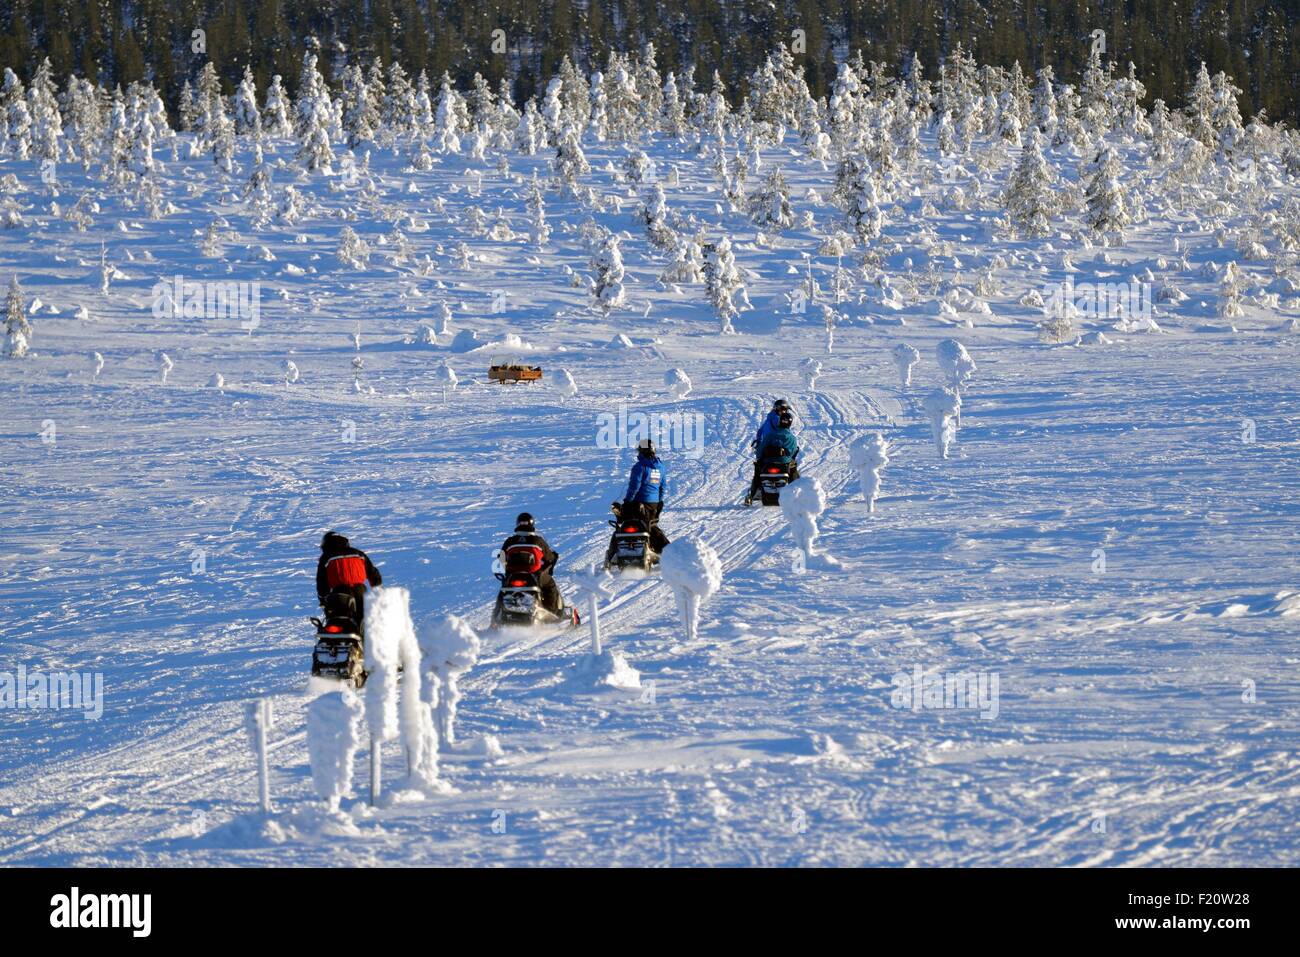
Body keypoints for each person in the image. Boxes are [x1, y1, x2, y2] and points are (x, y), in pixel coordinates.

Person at [498, 512, 571, 619]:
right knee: (550, 586)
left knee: (503, 591)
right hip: (534, 576)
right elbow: (549, 558)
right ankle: (553, 614)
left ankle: (495, 619)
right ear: (532, 524)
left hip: (513, 577)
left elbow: (501, 558)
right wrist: (552, 559)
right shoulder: (538, 541)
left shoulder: (510, 541)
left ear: (517, 524)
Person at [612, 438, 670, 555]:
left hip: (638, 504)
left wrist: (627, 501)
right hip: (653, 505)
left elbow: (634, 486)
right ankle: (665, 550)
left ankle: (613, 553)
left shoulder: (639, 467)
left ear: (641, 451)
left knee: (622, 523)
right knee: (649, 526)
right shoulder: (661, 467)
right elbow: (662, 487)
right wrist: (658, 502)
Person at [316, 530, 383, 623]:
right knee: (365, 621)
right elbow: (373, 573)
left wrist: (323, 599)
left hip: (339, 592)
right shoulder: (358, 554)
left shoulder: (326, 556)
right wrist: (377, 590)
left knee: (337, 620)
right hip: (361, 591)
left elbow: (321, 581)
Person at [747, 404, 799, 505]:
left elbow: (761, 448)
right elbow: (792, 452)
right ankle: (797, 494)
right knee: (794, 472)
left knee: (757, 474)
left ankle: (751, 496)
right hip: (784, 464)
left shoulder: (771, 434)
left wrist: (759, 457)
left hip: (768, 462)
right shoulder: (792, 438)